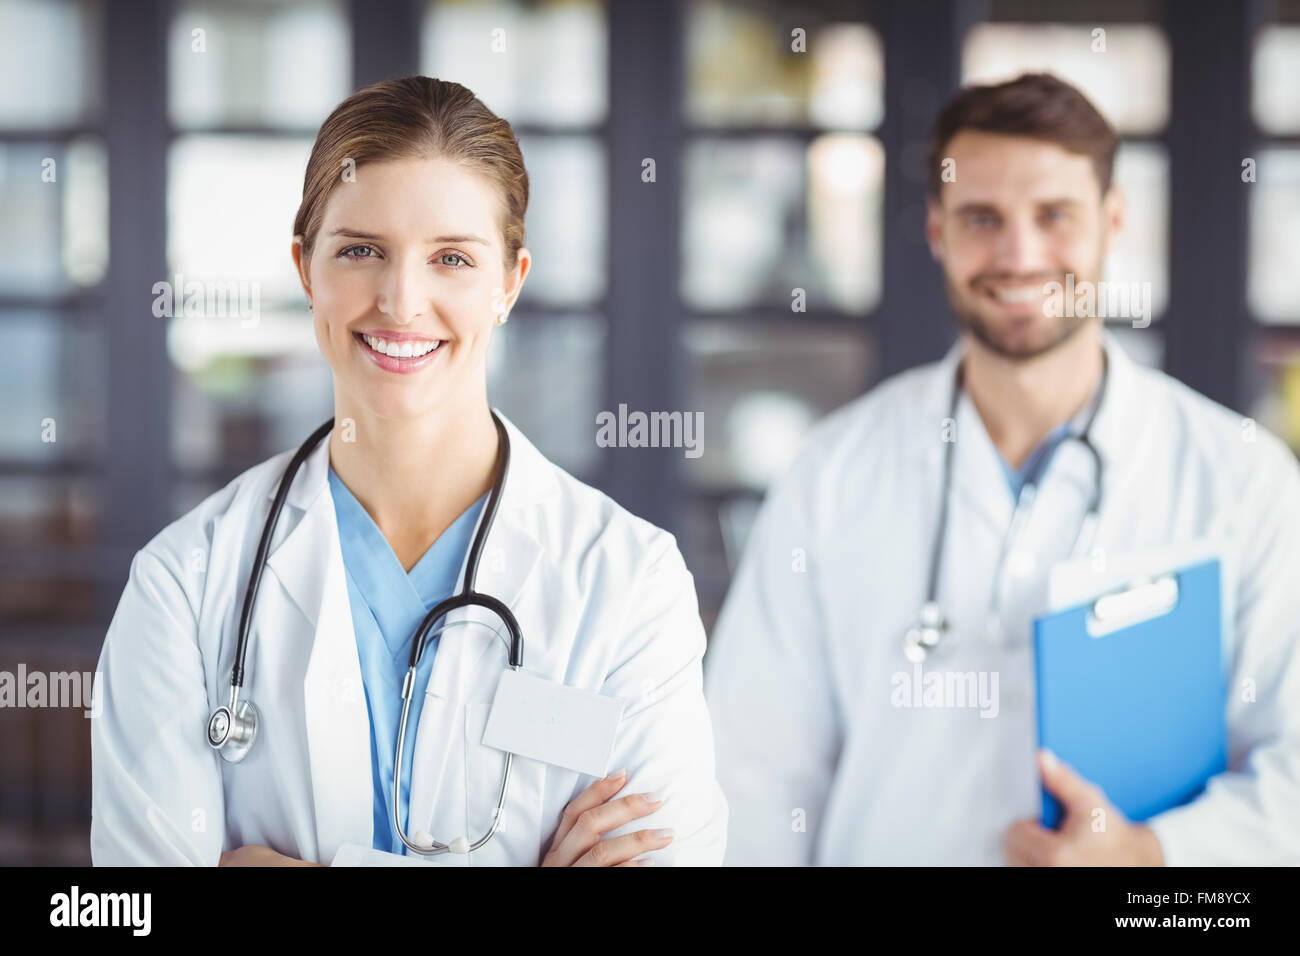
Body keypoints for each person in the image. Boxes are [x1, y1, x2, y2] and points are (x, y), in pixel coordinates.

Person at [91, 76, 726, 867]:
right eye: (361, 251)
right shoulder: (185, 583)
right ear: (305, 268)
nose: (401, 300)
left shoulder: (629, 582)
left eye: (452, 259)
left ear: (509, 284)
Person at [704, 73, 1300, 866]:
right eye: (983, 218)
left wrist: (1152, 855)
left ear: (1111, 222)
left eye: (1054, 216)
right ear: (938, 230)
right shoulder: (833, 473)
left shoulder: (1242, 477)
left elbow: (1290, 775)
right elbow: (754, 776)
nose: (1020, 256)